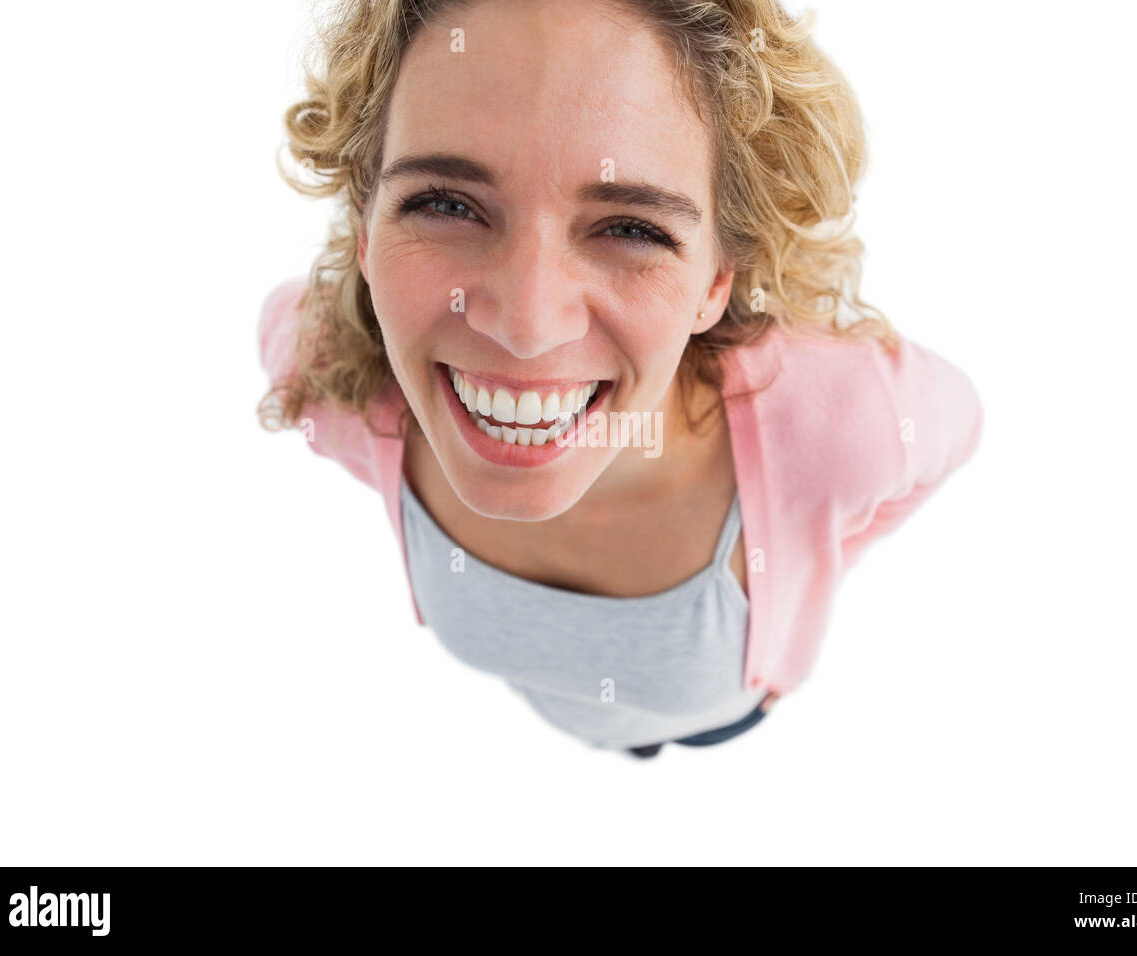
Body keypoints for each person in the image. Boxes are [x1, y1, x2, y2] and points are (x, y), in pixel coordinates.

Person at [257, 0, 983, 759]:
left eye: (632, 228)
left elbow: (956, 430)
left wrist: (823, 547)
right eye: (445, 204)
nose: (527, 325)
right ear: (366, 230)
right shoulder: (322, 377)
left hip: (725, 721)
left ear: (716, 280)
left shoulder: (845, 424)